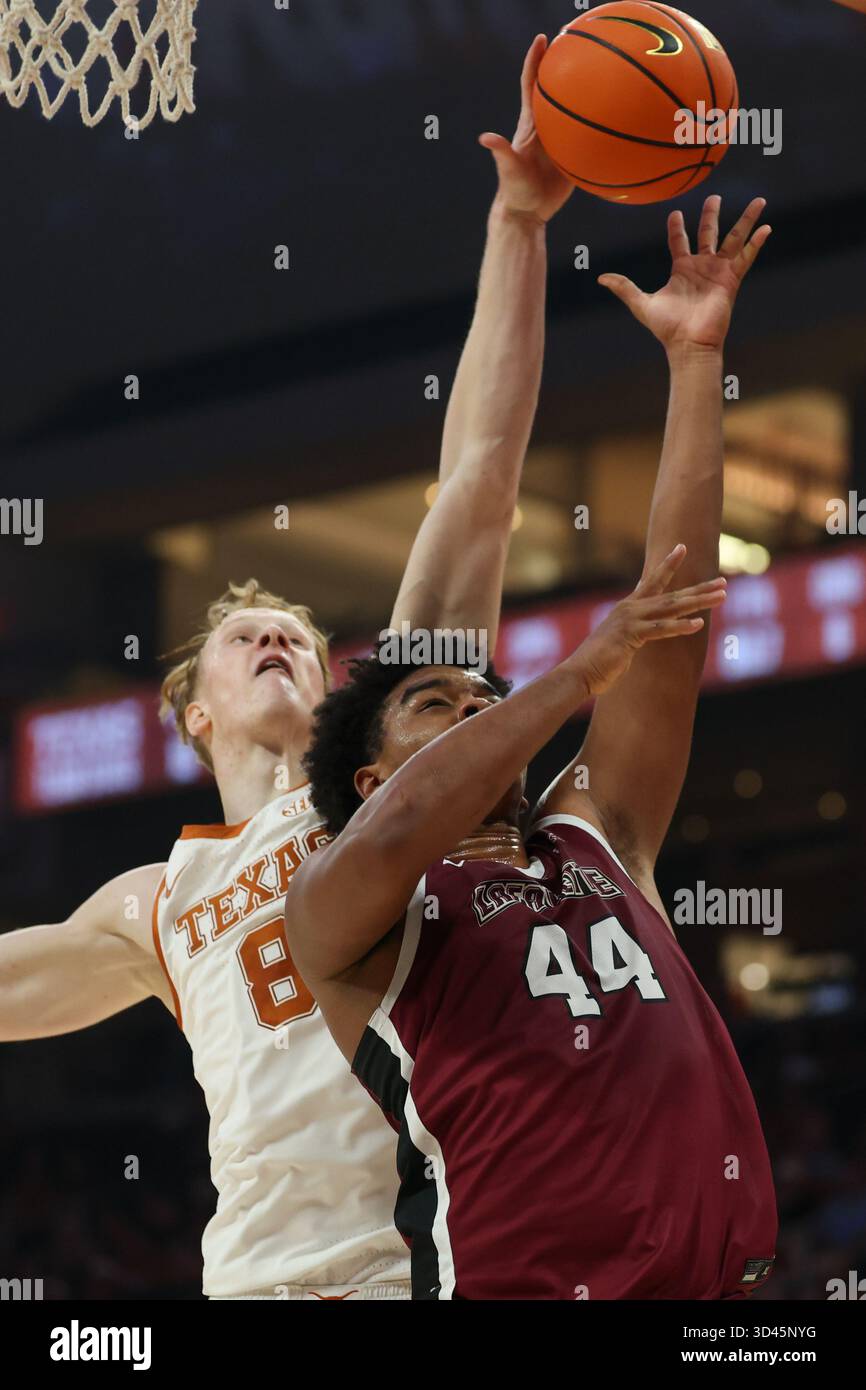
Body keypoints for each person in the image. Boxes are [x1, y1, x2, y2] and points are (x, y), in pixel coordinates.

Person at [0, 36, 573, 1300]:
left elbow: (476, 485)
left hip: (412, 1263)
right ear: (194, 708)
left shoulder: (380, 779)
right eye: (244, 637)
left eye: (303, 637)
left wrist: (516, 226)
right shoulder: (149, 903)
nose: (279, 637)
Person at [285, 197, 779, 1300]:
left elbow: (672, 616)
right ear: (367, 776)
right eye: (432, 702)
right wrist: (569, 674)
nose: (472, 708)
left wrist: (694, 363)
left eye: (483, 695)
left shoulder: (595, 836)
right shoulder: (344, 915)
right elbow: (411, 819)